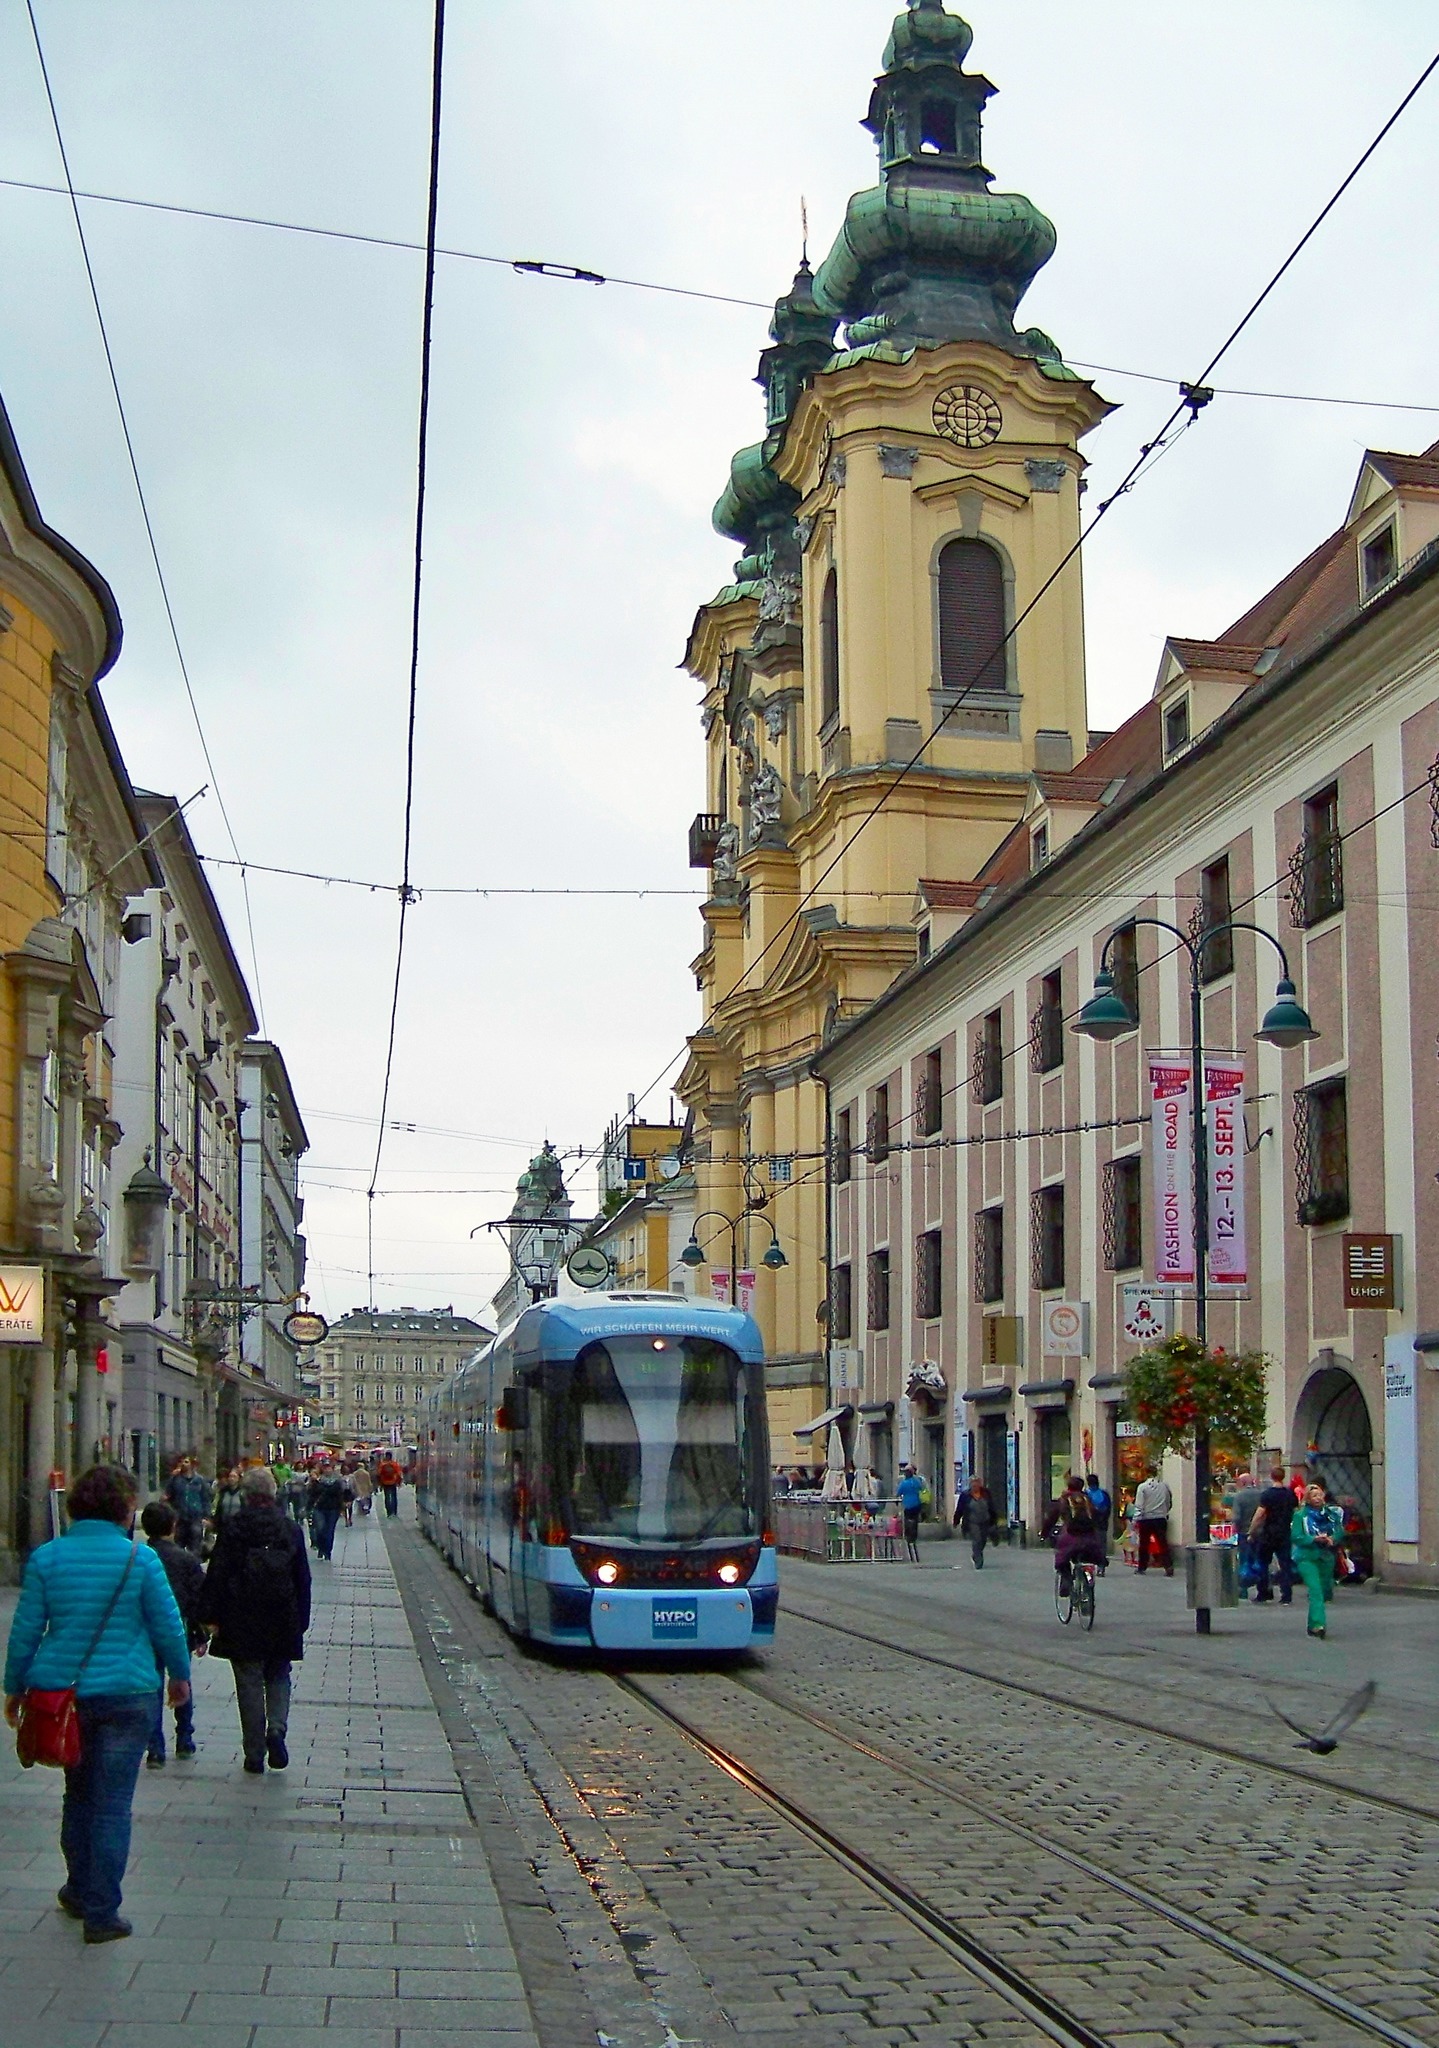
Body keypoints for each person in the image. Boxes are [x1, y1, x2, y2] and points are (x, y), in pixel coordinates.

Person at [3, 1465, 190, 1944]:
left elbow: (26, 1630)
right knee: (113, 1805)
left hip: (65, 1695)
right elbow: (168, 1624)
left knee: (78, 1795)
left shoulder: (47, 1558)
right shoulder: (140, 1560)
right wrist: (179, 1677)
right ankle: (103, 1912)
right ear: (124, 1510)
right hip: (129, 1692)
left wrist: (14, 1687)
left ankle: (79, 1888)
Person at [200, 1467, 312, 1771]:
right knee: (278, 1674)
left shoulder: (235, 1528)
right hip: (281, 1614)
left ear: (247, 1495)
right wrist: (301, 1618)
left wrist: (209, 1616)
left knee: (248, 1682)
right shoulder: (289, 1529)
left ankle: (254, 1752)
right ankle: (276, 1728)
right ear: (273, 1494)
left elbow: (218, 1572)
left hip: (241, 1616)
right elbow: (303, 1577)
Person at [139, 1501, 207, 1766]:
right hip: (179, 1630)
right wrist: (201, 1633)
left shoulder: (140, 1558)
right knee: (182, 1680)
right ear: (174, 1527)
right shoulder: (186, 1559)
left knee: (153, 1686)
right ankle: (184, 1737)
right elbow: (199, 1599)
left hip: (146, 1633)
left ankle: (155, 1746)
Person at [1291, 1480, 1344, 1638]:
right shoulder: (1301, 1516)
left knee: (1324, 1590)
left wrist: (1332, 1539)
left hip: (1326, 1556)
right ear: (1307, 1498)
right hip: (1307, 1557)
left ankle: (1312, 1623)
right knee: (1315, 1591)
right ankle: (1318, 1625)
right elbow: (1296, 1536)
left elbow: (1340, 1531)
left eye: (1320, 1495)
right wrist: (1313, 1539)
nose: (1318, 1498)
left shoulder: (1331, 1515)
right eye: (1314, 1495)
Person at [1042, 1475, 1105, 1596]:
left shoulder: (1063, 1500)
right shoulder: (1087, 1499)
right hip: (1090, 1539)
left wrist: (1044, 1534)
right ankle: (1087, 1587)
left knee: (1062, 1559)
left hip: (1070, 1538)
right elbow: (1097, 1516)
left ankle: (1067, 1580)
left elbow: (1051, 1519)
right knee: (1088, 1557)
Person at [1248, 1465, 1295, 1605]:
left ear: (1271, 1476)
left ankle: (1264, 1592)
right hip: (1285, 1532)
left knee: (1263, 1563)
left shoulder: (1267, 1495)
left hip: (1268, 1533)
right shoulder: (1290, 1494)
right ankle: (1286, 1595)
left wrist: (1252, 1531)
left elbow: (1259, 1515)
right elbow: (1295, 1511)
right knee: (1285, 1564)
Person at [1130, 1467, 1174, 1575]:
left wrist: (1135, 1519)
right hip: (1160, 1518)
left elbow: (1139, 1505)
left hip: (1146, 1518)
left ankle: (1142, 1567)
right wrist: (1164, 1511)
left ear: (1146, 1473)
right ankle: (1168, 1566)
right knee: (1163, 1542)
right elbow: (1169, 1501)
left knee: (1144, 1544)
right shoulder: (1164, 1486)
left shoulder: (1142, 1487)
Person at [164, 1455, 210, 1556]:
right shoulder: (175, 1479)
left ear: (191, 1464)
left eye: (186, 1462)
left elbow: (205, 1498)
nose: (183, 1464)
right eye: (181, 1462)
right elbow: (167, 1496)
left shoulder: (199, 1480)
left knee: (195, 1545)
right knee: (178, 1545)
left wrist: (206, 1516)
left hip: (196, 1517)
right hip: (179, 1517)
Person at [1231, 1470, 1265, 1597]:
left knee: (1244, 1560)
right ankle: (1263, 1588)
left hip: (1244, 1533)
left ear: (1243, 1483)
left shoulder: (1239, 1497)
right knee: (1260, 1560)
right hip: (1261, 1532)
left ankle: (1243, 1589)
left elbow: (1237, 1517)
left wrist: (1235, 1530)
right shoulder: (1261, 1495)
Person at [307, 1461, 348, 1560]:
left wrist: (343, 1506)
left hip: (333, 1509)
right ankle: (321, 1548)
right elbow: (312, 1494)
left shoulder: (338, 1481)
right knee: (320, 1529)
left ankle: (327, 1551)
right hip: (319, 1508)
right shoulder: (317, 1481)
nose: (327, 1470)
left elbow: (342, 1493)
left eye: (329, 1467)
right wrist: (308, 1507)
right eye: (325, 1468)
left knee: (329, 1531)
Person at [953, 1477, 997, 1568]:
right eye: (973, 1484)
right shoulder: (965, 1495)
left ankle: (976, 1554)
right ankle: (978, 1560)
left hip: (985, 1520)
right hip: (972, 1522)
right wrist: (956, 1521)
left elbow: (991, 1507)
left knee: (983, 1540)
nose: (975, 1486)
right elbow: (959, 1509)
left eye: (977, 1484)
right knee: (977, 1539)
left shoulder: (986, 1493)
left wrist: (994, 1519)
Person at [1084, 1472, 1113, 1570]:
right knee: (1101, 1545)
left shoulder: (1085, 1495)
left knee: (1089, 1545)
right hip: (1102, 1523)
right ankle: (1101, 1567)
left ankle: (1089, 1566)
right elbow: (1108, 1509)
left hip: (1089, 1524)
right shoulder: (1104, 1494)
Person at [895, 1464, 924, 1561]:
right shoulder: (916, 1481)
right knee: (915, 1519)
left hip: (907, 1505)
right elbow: (921, 1488)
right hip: (917, 1504)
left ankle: (908, 1534)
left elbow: (898, 1493)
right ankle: (914, 1534)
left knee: (907, 1519)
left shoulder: (903, 1483)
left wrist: (897, 1499)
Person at [212, 1466, 245, 1534]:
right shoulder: (223, 1492)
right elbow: (218, 1508)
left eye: (234, 1476)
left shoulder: (242, 1493)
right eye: (230, 1476)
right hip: (223, 1527)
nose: (232, 1479)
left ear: (238, 1479)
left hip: (238, 1527)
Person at [375, 1454, 404, 1519]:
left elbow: (378, 1474)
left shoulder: (382, 1465)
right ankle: (394, 1511)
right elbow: (399, 1474)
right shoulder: (394, 1464)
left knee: (387, 1497)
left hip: (385, 1483)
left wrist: (380, 1483)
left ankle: (389, 1512)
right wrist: (399, 1482)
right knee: (394, 1497)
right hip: (393, 1482)